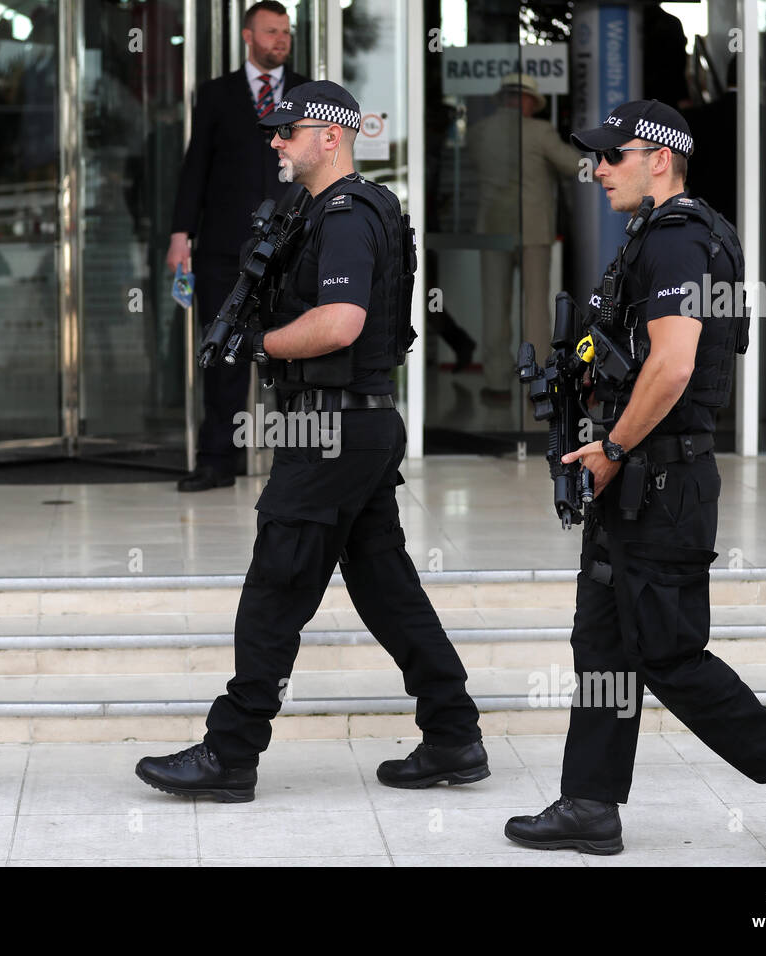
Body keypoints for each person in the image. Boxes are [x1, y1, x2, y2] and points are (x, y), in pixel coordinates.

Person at [137, 81, 488, 802]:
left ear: (330, 135)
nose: (275, 141)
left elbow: (340, 323)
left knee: (275, 585)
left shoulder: (347, 215)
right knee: (385, 586)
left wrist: (258, 344)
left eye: (286, 131)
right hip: (346, 424)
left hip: (335, 427)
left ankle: (230, 753)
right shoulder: (328, 209)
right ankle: (453, 733)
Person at [504, 100, 766, 856]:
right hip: (636, 481)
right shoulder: (658, 235)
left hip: (660, 481)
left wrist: (613, 449)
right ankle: (589, 803)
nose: (597, 170)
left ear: (659, 156)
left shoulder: (681, 239)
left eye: (612, 156)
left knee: (667, 652)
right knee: (601, 645)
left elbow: (675, 363)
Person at [168, 0, 309, 491]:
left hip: (294, 245)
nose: (281, 40)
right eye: (271, 31)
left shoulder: (307, 92)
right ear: (248, 36)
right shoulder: (216, 94)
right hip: (225, 247)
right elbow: (196, 168)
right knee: (222, 351)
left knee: (294, 355)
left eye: (286, 32)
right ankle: (216, 462)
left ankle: (299, 463)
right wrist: (181, 234)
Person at [467, 73, 581, 408]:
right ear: (527, 100)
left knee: (493, 306)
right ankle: (537, 382)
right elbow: (572, 165)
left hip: (491, 227)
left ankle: (495, 382)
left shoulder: (479, 133)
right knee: (535, 307)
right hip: (533, 230)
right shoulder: (539, 131)